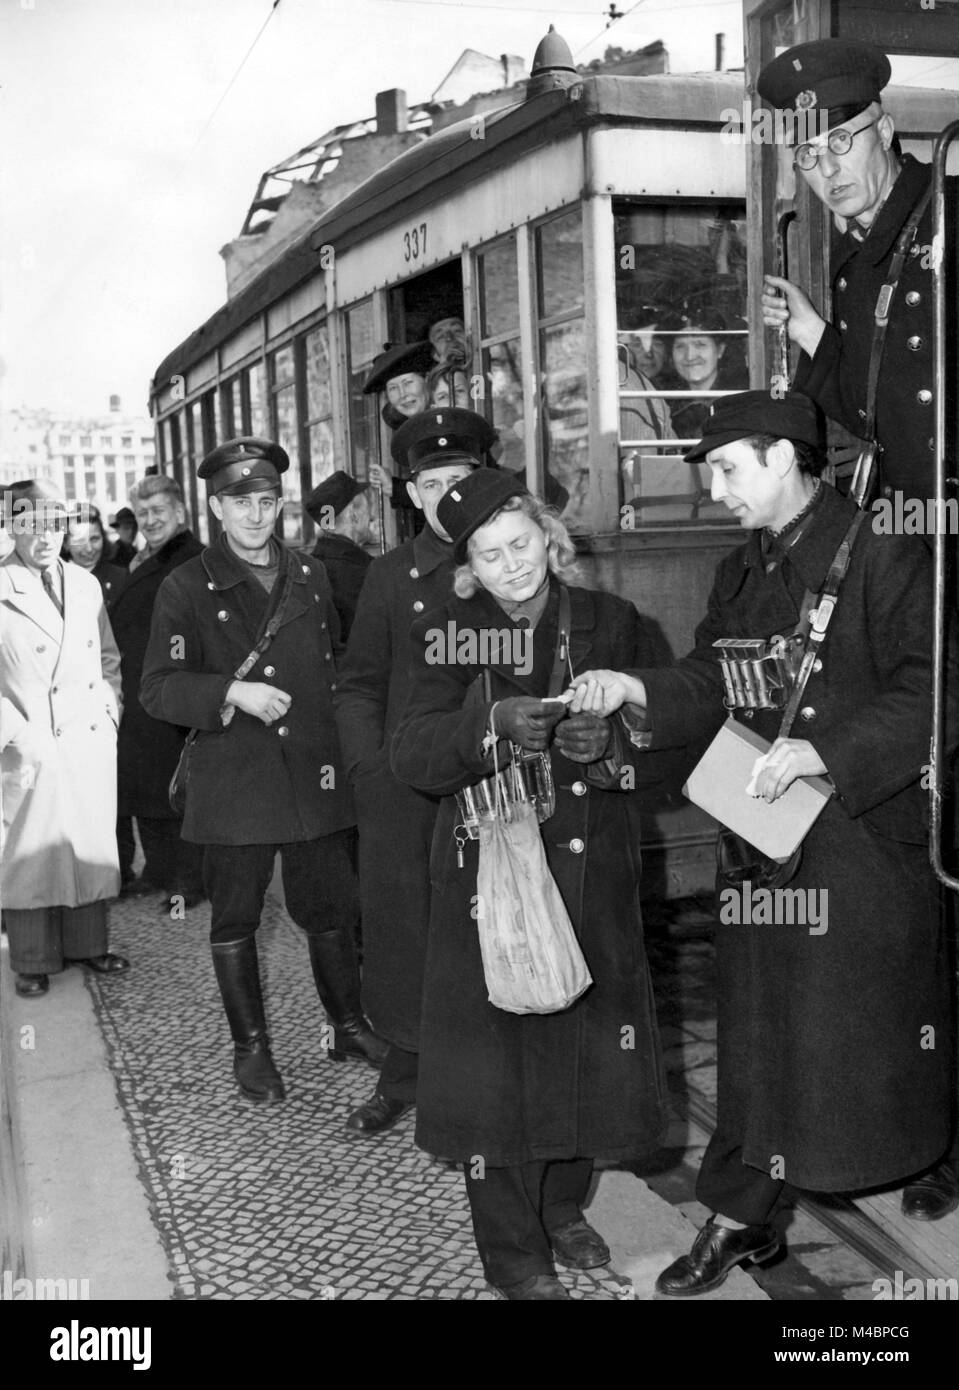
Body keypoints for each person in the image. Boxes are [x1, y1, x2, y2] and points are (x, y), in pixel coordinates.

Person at [570, 390, 958, 1295]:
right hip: (765, 832)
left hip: (862, 832)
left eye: (726, 469)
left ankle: (925, 1155)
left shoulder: (889, 552)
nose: (716, 490)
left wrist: (825, 750)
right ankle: (741, 1214)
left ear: (783, 459)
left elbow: (934, 692)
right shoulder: (744, 567)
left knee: (868, 1030)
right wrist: (638, 687)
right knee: (755, 1034)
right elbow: (714, 670)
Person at [390, 468, 673, 1299]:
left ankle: (560, 1205)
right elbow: (409, 752)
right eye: (489, 554)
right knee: (498, 1063)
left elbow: (667, 741)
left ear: (547, 537)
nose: (511, 565)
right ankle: (513, 1250)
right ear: (466, 566)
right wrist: (487, 727)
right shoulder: (442, 629)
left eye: (521, 544)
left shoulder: (612, 621)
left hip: (592, 871)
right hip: (492, 870)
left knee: (583, 1046)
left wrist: (610, 749)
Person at [140, 437, 386, 1103]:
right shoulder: (185, 585)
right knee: (236, 919)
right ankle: (250, 1049)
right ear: (216, 507)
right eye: (240, 502)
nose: (256, 515)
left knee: (330, 910)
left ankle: (347, 1024)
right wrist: (230, 691)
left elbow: (332, 664)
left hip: (312, 773)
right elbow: (158, 688)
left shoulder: (308, 574)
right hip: (234, 779)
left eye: (267, 500)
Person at [334, 408, 495, 1136]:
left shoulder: (510, 558)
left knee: (489, 929)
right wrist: (369, 768)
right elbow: (359, 680)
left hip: (493, 785)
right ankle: (403, 1073)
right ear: (410, 491)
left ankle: (487, 1085)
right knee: (405, 935)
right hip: (404, 789)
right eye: (427, 483)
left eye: (458, 479)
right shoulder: (390, 575)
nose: (442, 496)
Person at [758, 37, 959, 503]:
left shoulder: (950, 214)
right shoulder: (855, 263)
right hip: (910, 525)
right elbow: (868, 413)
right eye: (808, 153)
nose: (827, 168)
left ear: (885, 131)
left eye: (841, 140)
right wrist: (808, 330)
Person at [1, 480, 129, 999]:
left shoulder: (85, 584)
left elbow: (109, 659)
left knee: (87, 845)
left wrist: (109, 712)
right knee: (30, 854)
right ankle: (31, 961)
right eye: (30, 526)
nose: (44, 538)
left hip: (85, 739)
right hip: (28, 744)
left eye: (53, 524)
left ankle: (88, 946)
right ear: (11, 526)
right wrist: (16, 735)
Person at [111, 476, 205, 908]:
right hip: (144, 694)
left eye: (159, 512)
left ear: (180, 513)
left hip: (172, 694)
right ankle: (160, 871)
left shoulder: (192, 560)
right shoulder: (147, 559)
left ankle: (188, 882)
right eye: (143, 513)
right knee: (148, 788)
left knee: (176, 792)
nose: (150, 521)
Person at [303, 471, 375, 643]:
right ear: (353, 514)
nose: (371, 516)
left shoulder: (307, 569)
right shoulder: (371, 573)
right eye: (368, 508)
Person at [63, 503, 128, 609]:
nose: (89, 549)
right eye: (80, 540)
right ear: (66, 544)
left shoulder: (121, 578)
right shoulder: (55, 579)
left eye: (94, 539)